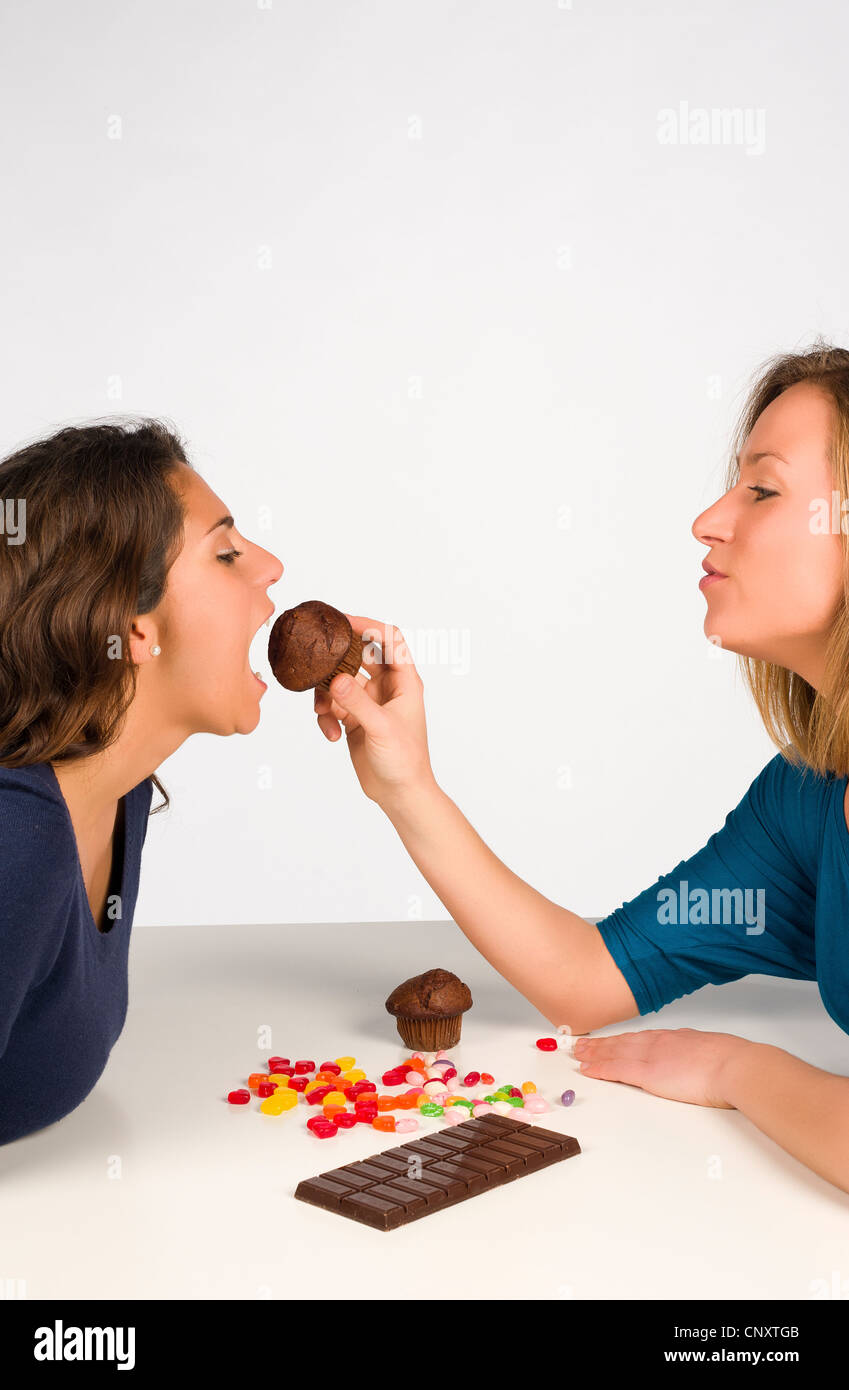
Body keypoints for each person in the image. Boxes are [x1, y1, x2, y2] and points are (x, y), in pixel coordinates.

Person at [315, 340, 849, 1196]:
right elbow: (586, 978)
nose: (708, 520)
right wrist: (406, 786)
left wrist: (735, 1072)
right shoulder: (807, 802)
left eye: (762, 488)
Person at [0, 419, 281, 1150]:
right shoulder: (8, 838)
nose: (270, 566)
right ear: (133, 627)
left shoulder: (122, 794)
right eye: (226, 553)